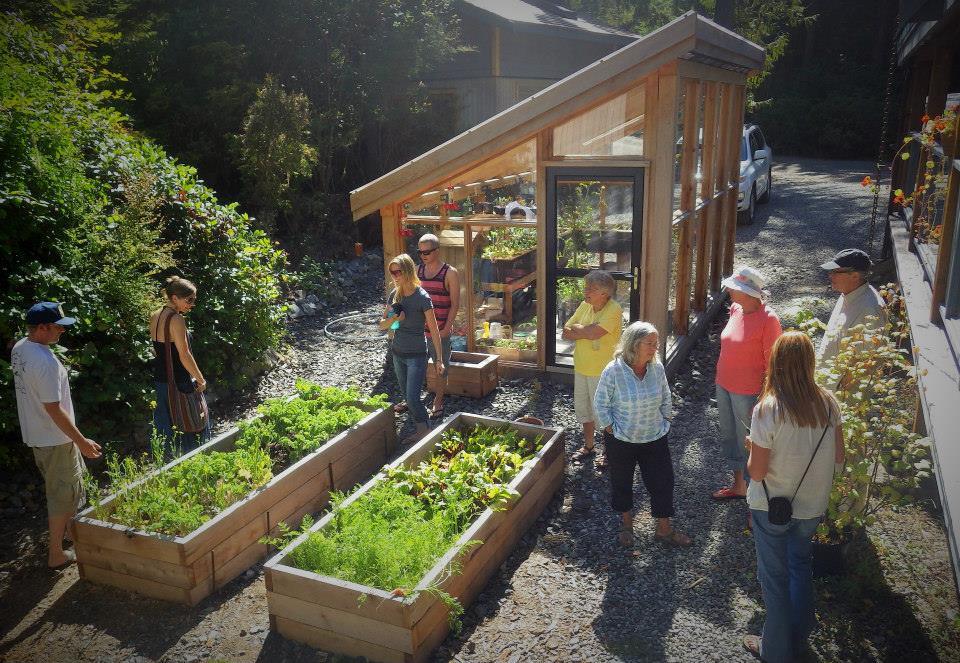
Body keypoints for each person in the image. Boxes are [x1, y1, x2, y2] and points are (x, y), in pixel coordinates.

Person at [743, 331, 844, 662]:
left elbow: (757, 473)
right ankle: (800, 636)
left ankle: (774, 651)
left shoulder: (767, 410)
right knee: (800, 565)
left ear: (776, 363)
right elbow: (839, 461)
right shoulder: (829, 404)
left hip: (771, 508)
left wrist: (750, 449)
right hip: (811, 507)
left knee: (774, 579)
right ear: (810, 363)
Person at [11, 302, 102, 568]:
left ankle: (69, 540)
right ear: (42, 327)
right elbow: (53, 409)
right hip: (55, 439)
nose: (61, 332)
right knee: (63, 497)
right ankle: (56, 554)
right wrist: (81, 442)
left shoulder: (21, 348)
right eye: (57, 328)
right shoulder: (45, 362)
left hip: (38, 437)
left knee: (64, 492)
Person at [593, 321, 692, 548]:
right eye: (650, 343)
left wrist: (666, 419)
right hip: (621, 440)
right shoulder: (614, 370)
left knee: (663, 482)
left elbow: (666, 396)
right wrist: (610, 428)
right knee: (622, 481)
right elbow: (600, 403)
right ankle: (627, 525)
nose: (655, 348)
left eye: (656, 344)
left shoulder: (656, 368)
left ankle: (664, 530)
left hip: (654, 436)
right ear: (634, 344)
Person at [712, 266, 781, 503]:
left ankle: (757, 501)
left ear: (749, 293)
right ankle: (739, 486)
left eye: (735, 287)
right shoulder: (735, 309)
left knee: (752, 443)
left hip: (749, 391)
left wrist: (765, 396)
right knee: (730, 436)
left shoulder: (769, 319)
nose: (729, 289)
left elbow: (773, 362)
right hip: (724, 383)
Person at [380, 254, 445, 444]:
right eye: (391, 272)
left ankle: (425, 431)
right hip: (398, 353)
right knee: (408, 398)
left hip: (417, 355)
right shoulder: (395, 295)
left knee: (412, 397)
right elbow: (384, 326)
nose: (394, 276)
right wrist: (394, 320)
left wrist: (439, 359)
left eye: (397, 272)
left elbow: (434, 331)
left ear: (408, 271)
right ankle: (423, 429)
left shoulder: (422, 297)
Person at [562, 270, 622, 467]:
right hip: (581, 366)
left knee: (604, 413)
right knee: (584, 410)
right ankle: (589, 446)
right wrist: (586, 331)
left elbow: (595, 333)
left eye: (591, 288)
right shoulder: (584, 306)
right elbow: (566, 332)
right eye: (586, 286)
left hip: (603, 371)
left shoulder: (614, 309)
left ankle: (609, 452)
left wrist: (583, 330)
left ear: (604, 293)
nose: (586, 291)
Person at [149, 276, 209, 457]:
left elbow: (155, 349)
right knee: (193, 424)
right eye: (188, 300)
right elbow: (184, 355)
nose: (191, 304)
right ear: (174, 298)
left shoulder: (155, 315)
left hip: (161, 380)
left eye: (194, 300)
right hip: (180, 380)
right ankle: (196, 461)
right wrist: (200, 379)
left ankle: (171, 463)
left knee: (168, 425)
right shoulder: (176, 320)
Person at [816, 249, 887, 383]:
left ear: (854, 276)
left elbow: (868, 361)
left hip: (842, 393)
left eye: (835, 272)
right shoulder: (848, 293)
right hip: (828, 381)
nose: (830, 276)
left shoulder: (870, 309)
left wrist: (841, 391)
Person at [416, 233, 460, 417]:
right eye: (420, 252)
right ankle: (414, 398)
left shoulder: (450, 273)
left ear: (437, 251)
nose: (423, 255)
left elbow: (455, 303)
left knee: (441, 365)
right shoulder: (417, 271)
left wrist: (447, 327)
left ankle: (438, 400)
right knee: (415, 364)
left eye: (427, 251)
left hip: (440, 328)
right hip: (418, 330)